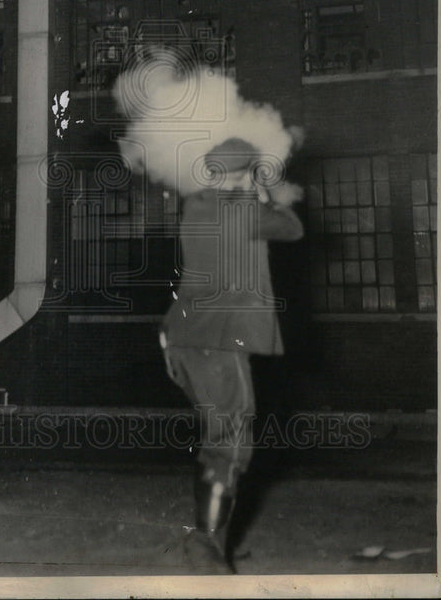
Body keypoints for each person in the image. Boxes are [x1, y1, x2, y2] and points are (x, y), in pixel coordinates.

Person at [159, 137, 303, 574]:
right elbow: (292, 228)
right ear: (245, 174)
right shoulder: (246, 211)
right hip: (220, 342)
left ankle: (210, 538)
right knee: (232, 441)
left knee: (219, 436)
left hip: (182, 339)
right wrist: (264, 193)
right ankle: (205, 545)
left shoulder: (196, 206)